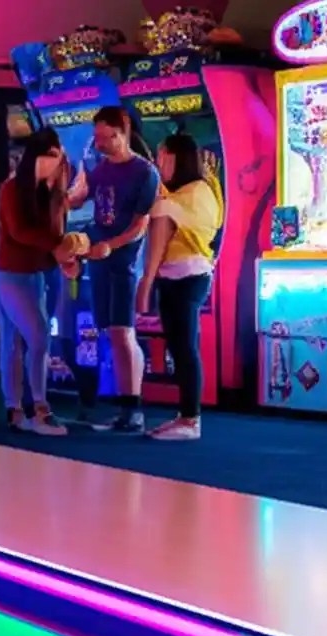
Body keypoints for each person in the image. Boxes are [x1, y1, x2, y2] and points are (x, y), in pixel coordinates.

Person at [68, 106, 161, 433]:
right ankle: (125, 407)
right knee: (109, 331)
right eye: (97, 138)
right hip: (98, 256)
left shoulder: (144, 172)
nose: (101, 143)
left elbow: (140, 225)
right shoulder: (99, 169)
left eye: (107, 137)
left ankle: (133, 407)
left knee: (123, 332)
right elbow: (79, 198)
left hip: (124, 261)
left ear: (123, 134)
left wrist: (113, 245)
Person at [0, 128, 76, 436]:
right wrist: (57, 249)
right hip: (11, 273)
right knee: (33, 337)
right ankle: (34, 407)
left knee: (25, 339)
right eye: (52, 156)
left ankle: (20, 408)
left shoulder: (49, 193)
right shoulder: (12, 189)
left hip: (37, 274)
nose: (57, 162)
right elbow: (19, 232)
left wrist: (58, 193)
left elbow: (56, 233)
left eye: (59, 157)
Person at [139, 133, 222, 440]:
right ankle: (185, 416)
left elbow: (160, 218)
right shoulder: (197, 189)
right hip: (179, 276)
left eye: (163, 157)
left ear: (178, 158)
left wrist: (145, 284)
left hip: (187, 276)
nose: (159, 164)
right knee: (179, 346)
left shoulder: (193, 193)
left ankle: (191, 419)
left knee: (185, 347)